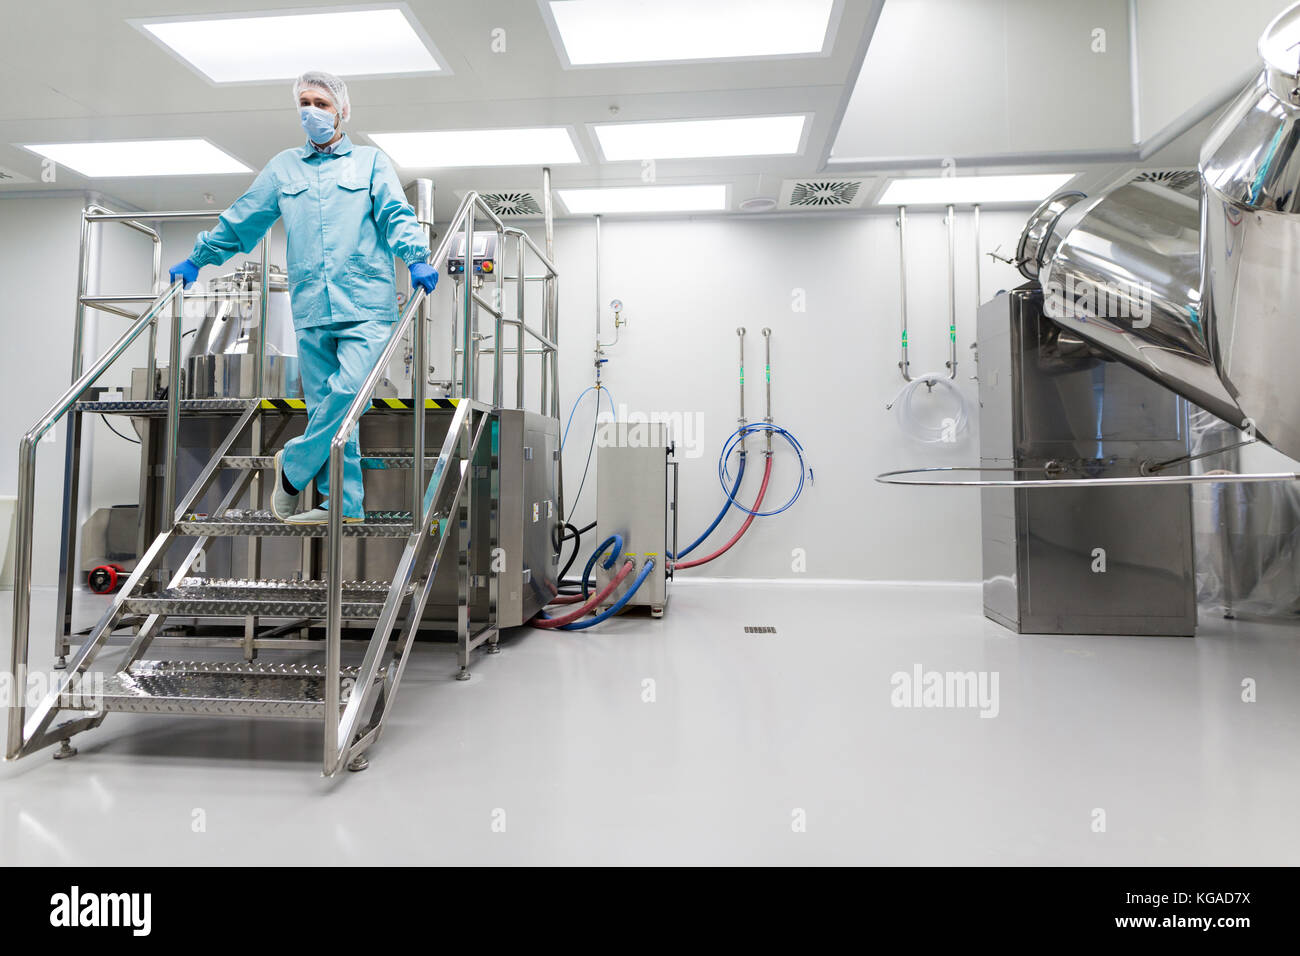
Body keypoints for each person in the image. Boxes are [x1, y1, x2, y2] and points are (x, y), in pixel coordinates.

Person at [168, 70, 438, 525]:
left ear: (343, 111)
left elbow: (395, 212)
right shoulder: (283, 168)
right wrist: (199, 258)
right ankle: (343, 506)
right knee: (325, 408)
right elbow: (244, 219)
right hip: (311, 307)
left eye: (323, 103)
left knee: (351, 395)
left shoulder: (371, 163)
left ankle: (292, 470)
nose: (312, 111)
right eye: (306, 102)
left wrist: (415, 256)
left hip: (366, 304)